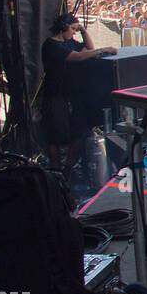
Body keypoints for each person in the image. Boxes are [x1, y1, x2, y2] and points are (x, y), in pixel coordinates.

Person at [40, 12, 115, 175]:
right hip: (55, 94)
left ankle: (68, 167)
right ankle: (55, 167)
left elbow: (89, 48)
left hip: (72, 93)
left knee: (78, 129)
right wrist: (104, 49)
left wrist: (83, 30)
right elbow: (77, 57)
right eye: (72, 29)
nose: (74, 32)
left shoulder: (70, 42)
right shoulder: (51, 45)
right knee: (55, 131)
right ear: (63, 28)